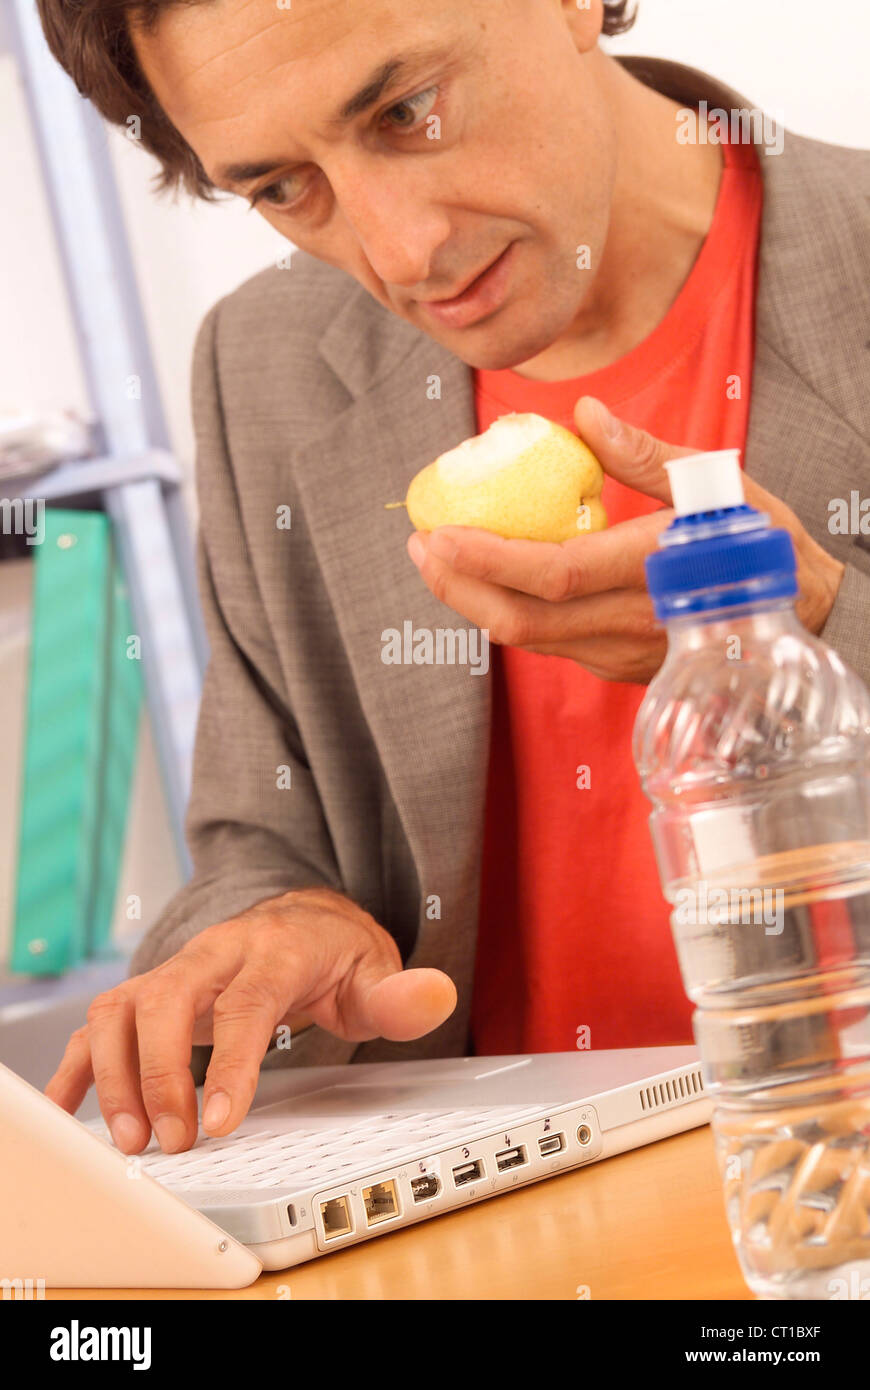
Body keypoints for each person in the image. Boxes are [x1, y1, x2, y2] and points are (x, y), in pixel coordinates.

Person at [37, 0, 869, 1156]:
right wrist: (277, 925)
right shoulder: (263, 365)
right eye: (282, 186)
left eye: (408, 110)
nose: (398, 251)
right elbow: (256, 839)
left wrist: (824, 629)